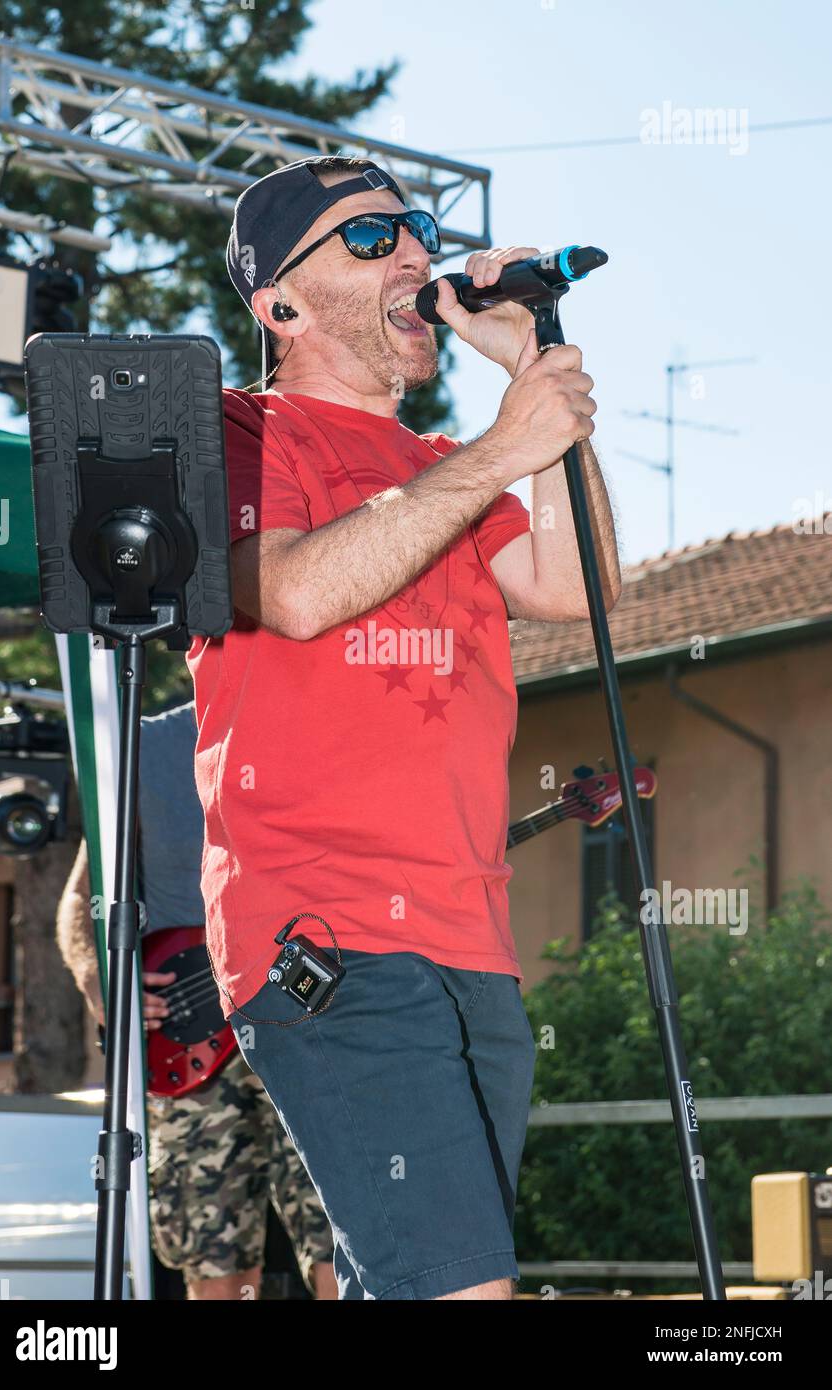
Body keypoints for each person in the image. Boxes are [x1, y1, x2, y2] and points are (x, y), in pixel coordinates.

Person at [187, 154, 622, 1301]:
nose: (416, 256)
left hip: (469, 941)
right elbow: (290, 591)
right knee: (459, 1291)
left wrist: (531, 373)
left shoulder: (443, 468)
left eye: (416, 230)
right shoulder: (235, 427)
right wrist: (497, 452)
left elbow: (584, 584)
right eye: (371, 240)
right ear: (279, 304)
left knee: (417, 1280)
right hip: (326, 936)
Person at [56, 699, 337, 1301]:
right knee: (215, 1261)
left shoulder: (319, 721)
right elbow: (83, 897)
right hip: (187, 1042)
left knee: (343, 1244)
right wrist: (101, 979)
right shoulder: (142, 745)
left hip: (307, 1020)